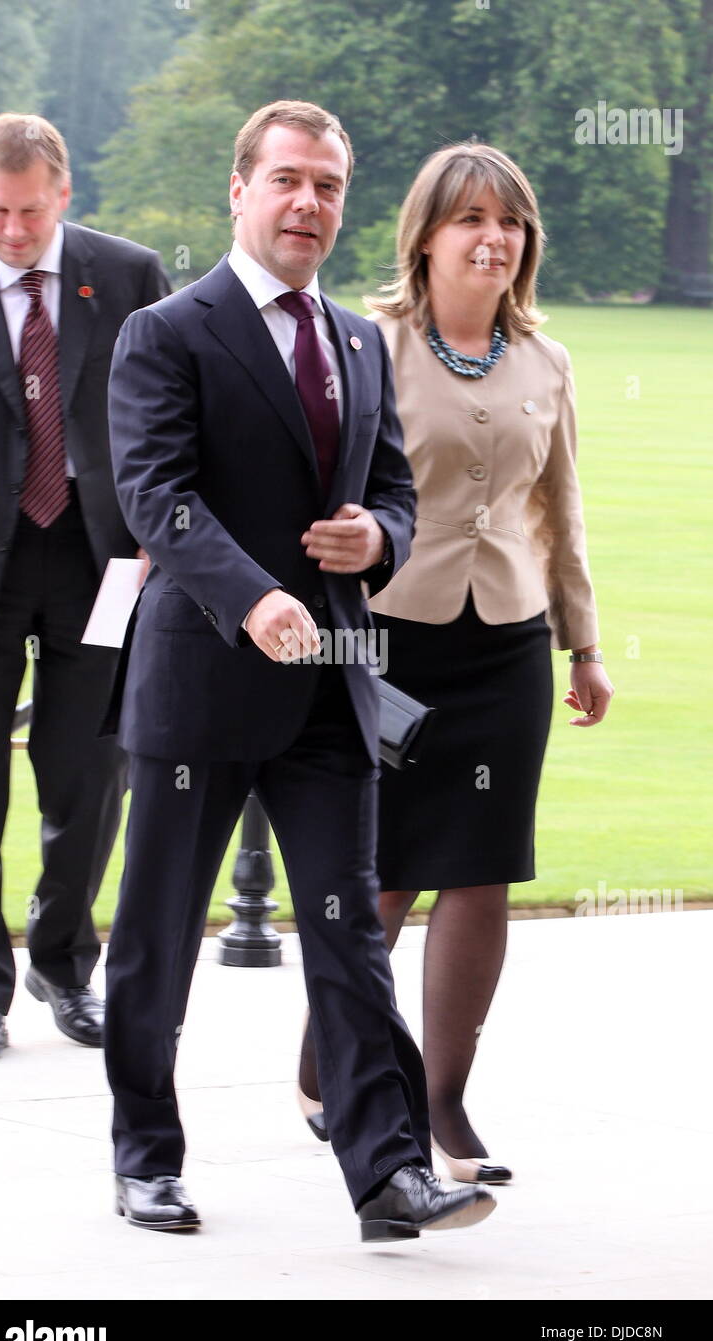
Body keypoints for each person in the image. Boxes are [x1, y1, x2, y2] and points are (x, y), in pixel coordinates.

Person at [103, 101, 497, 1242]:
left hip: (330, 684)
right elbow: (156, 497)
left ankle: (386, 1175)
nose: (307, 203)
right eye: (286, 180)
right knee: (157, 933)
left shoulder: (361, 342)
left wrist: (378, 541)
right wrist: (256, 597)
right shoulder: (168, 331)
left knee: (345, 932)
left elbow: (392, 495)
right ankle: (144, 1160)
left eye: (326, 185)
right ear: (240, 189)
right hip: (201, 682)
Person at [298, 142, 614, 1182]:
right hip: (390, 636)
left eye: (509, 222)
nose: (492, 237)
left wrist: (584, 643)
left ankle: (440, 1102)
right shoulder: (367, 342)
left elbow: (557, 512)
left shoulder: (545, 361)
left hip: (509, 643)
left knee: (481, 870)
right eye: (471, 219)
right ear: (425, 235)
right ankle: (332, 1057)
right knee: (382, 872)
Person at [0, 114, 171, 1063]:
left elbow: (176, 403)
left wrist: (170, 525)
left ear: (64, 194)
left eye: (30, 211)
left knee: (91, 776)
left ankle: (64, 962)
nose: (12, 230)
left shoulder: (127, 276)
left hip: (104, 561)